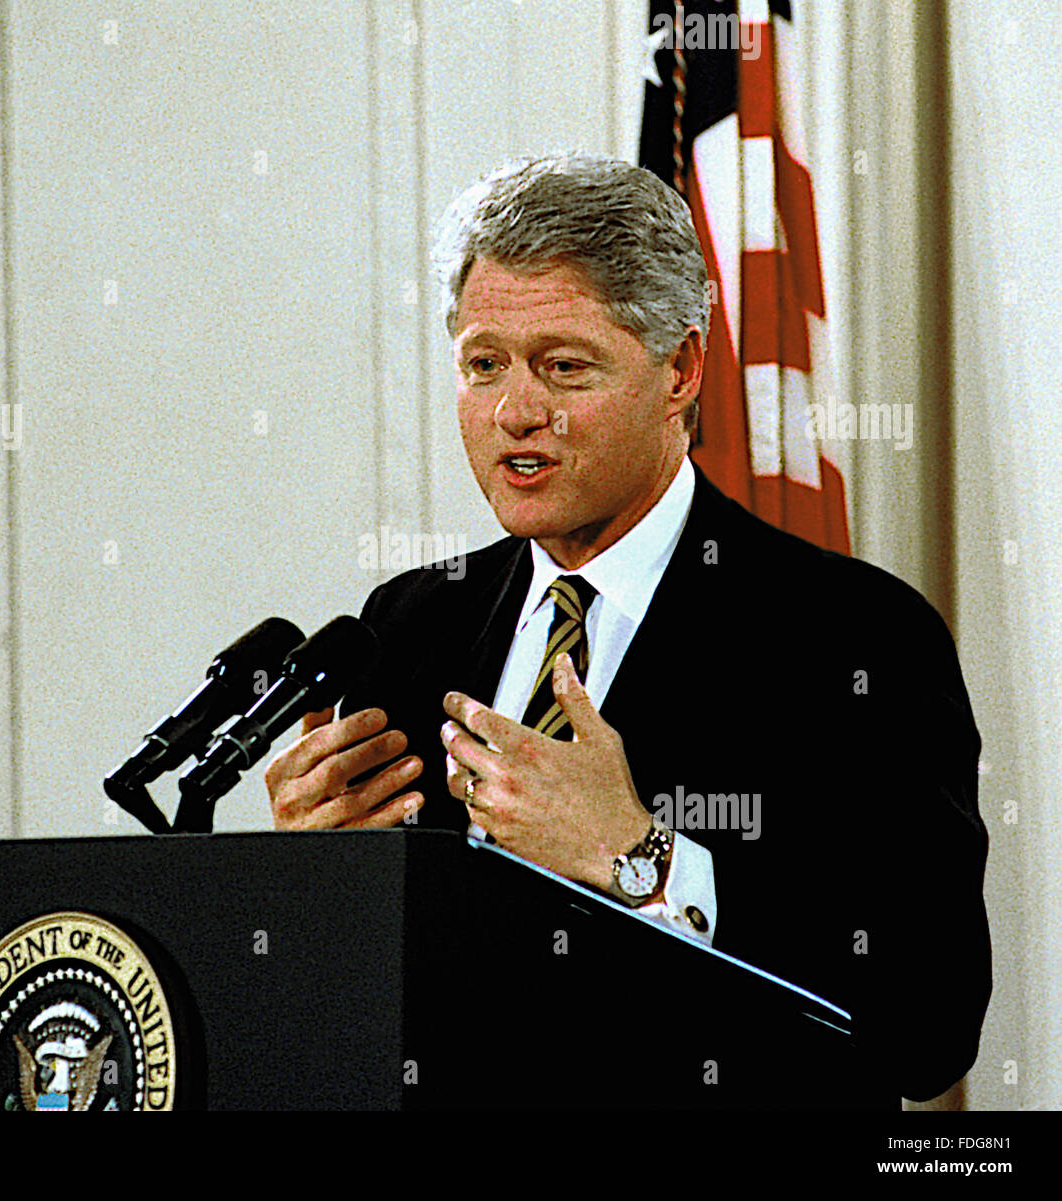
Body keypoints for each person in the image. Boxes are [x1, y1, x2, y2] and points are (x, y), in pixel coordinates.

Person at [264, 153, 991, 1104]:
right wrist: (307, 884)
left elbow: (927, 1018)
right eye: (484, 365)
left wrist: (644, 859)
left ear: (682, 369)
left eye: (564, 366)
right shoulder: (409, 624)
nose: (516, 411)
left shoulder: (854, 639)